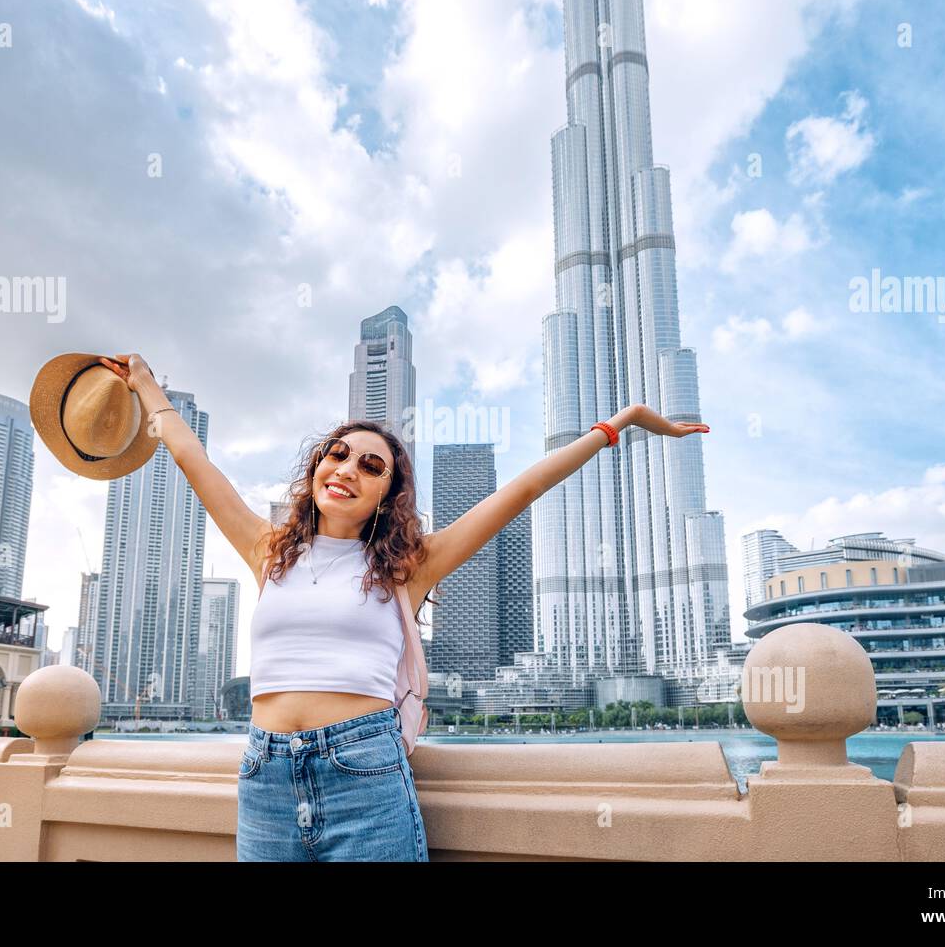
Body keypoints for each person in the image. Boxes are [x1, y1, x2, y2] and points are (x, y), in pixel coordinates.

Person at [101, 352, 709, 861]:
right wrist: (147, 385)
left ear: (387, 494)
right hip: (265, 774)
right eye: (336, 456)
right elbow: (191, 458)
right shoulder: (269, 552)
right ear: (316, 470)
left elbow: (523, 489)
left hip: (363, 770)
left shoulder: (405, 568)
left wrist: (619, 423)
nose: (347, 470)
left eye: (371, 467)